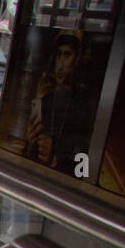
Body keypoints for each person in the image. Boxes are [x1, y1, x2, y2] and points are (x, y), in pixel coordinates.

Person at [25, 29, 95, 172]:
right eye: (59, 55)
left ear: (77, 60)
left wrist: (58, 156)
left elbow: (85, 157)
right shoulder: (47, 97)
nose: (61, 63)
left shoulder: (83, 102)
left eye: (67, 55)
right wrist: (31, 143)